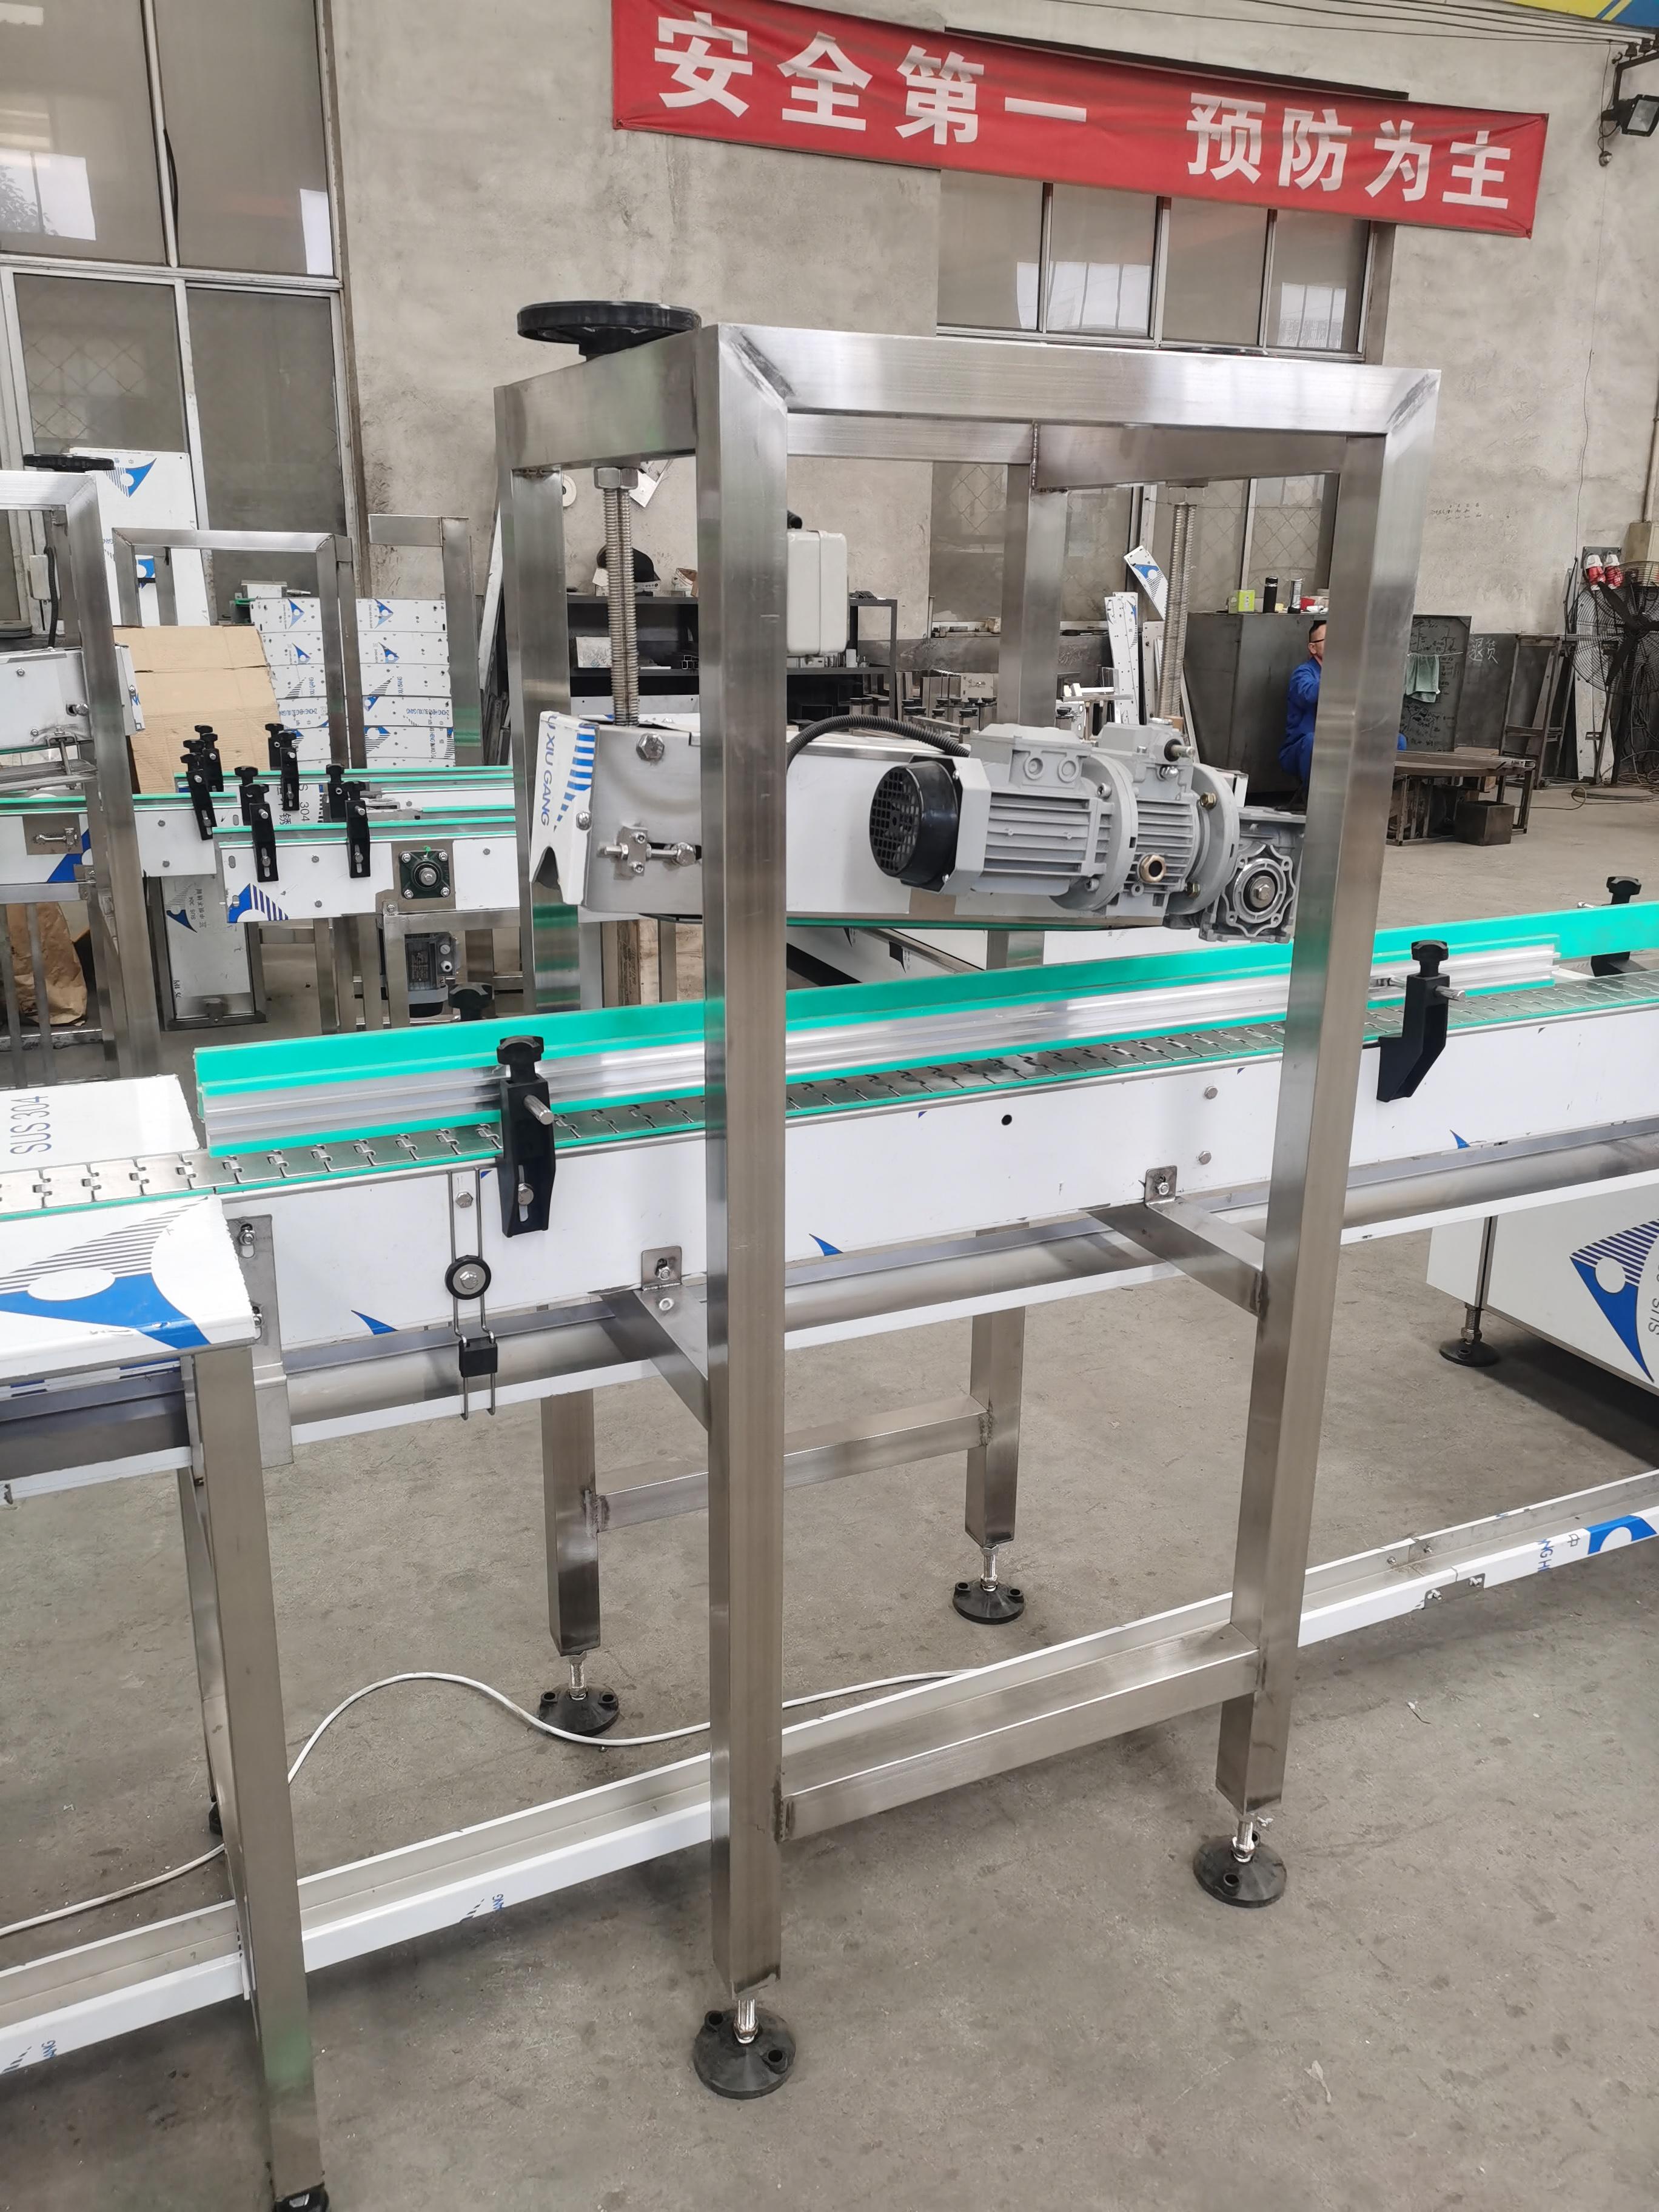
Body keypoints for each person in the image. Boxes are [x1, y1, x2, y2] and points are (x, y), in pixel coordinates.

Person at [1279, 618, 1325, 790]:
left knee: (1396, 741)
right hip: (1299, 748)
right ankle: (1313, 796)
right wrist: (1337, 675)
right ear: (1313, 648)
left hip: (1340, 742)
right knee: (1313, 741)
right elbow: (1309, 695)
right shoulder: (1303, 673)